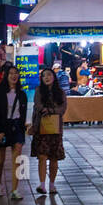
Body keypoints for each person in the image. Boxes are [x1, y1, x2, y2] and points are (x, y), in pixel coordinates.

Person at [0, 65, 29, 200]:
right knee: (0, 160)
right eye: (11, 73)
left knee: (17, 159)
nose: (14, 76)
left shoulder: (22, 94)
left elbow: (23, 112)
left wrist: (23, 126)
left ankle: (14, 189)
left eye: (16, 73)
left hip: (17, 126)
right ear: (6, 76)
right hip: (3, 126)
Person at [30, 67, 68, 196]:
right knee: (42, 156)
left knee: (54, 158)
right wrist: (44, 110)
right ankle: (42, 184)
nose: (47, 77)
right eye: (44, 75)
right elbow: (37, 104)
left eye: (49, 75)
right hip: (41, 128)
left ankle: (52, 184)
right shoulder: (39, 91)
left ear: (54, 77)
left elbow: (62, 108)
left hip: (55, 129)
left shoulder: (61, 92)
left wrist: (51, 111)